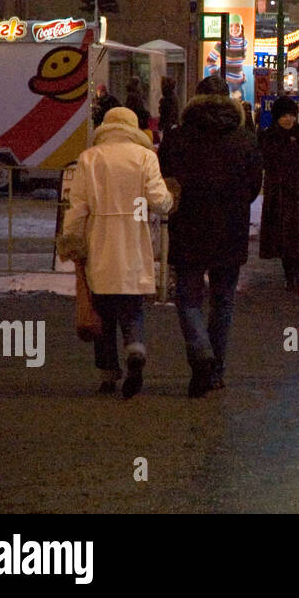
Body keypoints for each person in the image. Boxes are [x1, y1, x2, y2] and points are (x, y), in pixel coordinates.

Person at [159, 74, 263, 397]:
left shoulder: (177, 138)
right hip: (230, 229)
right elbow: (253, 185)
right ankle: (215, 370)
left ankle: (200, 351)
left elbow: (166, 180)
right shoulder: (244, 138)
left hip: (188, 228)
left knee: (188, 297)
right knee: (223, 300)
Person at [58, 107, 173, 398]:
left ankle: (108, 374)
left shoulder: (89, 158)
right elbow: (159, 201)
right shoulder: (145, 156)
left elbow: (78, 206)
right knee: (131, 307)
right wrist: (172, 199)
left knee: (103, 313)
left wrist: (71, 239)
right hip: (133, 241)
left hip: (100, 243)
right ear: (133, 129)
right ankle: (135, 347)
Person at [259, 96, 299, 293]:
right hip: (279, 193)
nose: (288, 119)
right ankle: (289, 275)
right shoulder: (270, 136)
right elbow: (269, 160)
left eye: (291, 115)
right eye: (284, 115)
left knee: (298, 236)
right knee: (283, 236)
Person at [158, 76, 180, 141]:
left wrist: (165, 126)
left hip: (168, 127)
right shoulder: (172, 98)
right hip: (169, 126)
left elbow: (169, 114)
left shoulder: (169, 99)